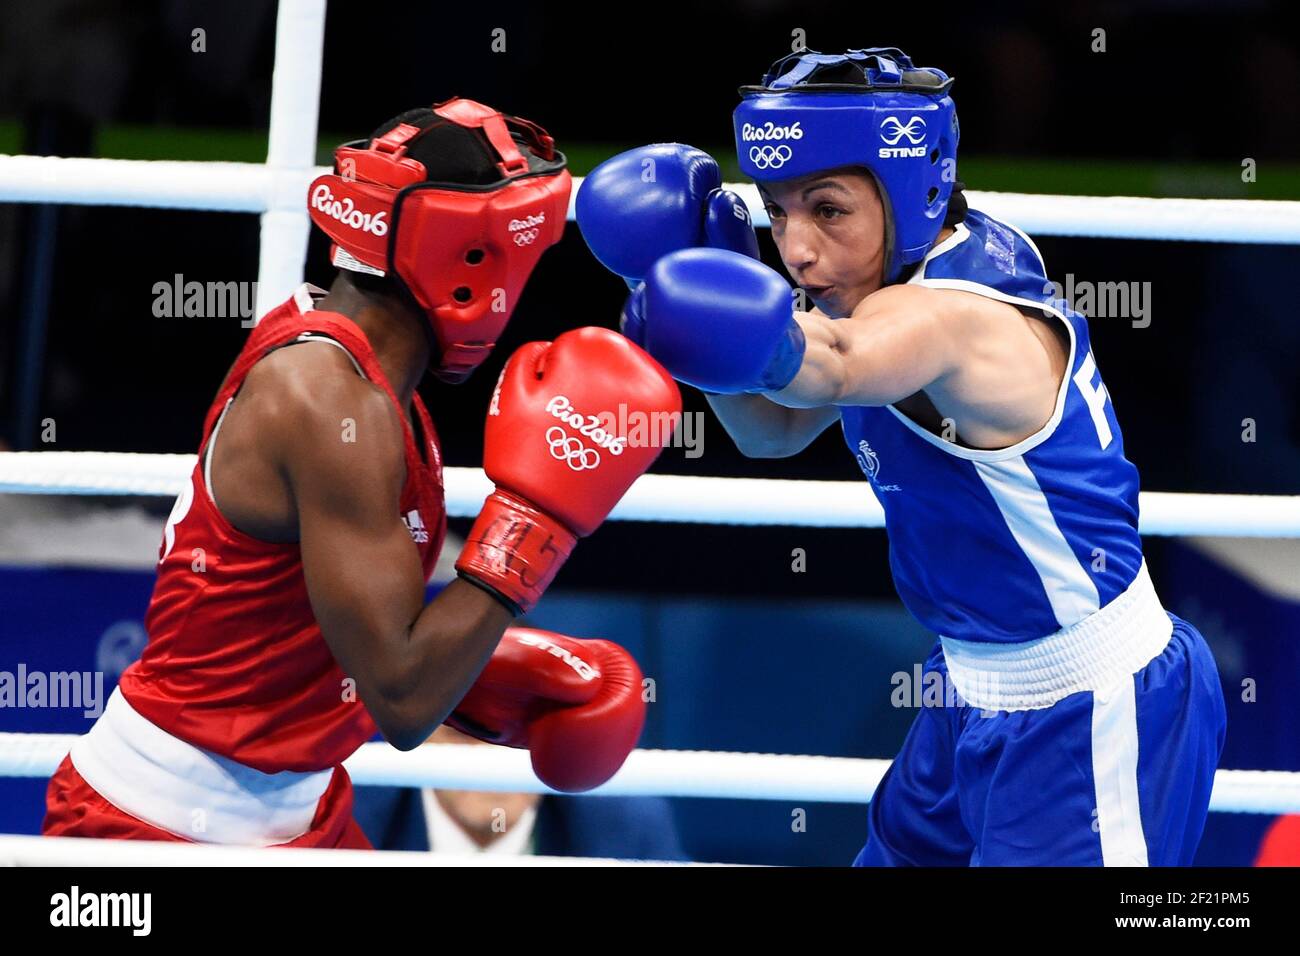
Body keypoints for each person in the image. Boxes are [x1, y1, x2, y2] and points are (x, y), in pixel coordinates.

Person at [577, 48, 1226, 866]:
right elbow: (770, 430)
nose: (798, 250)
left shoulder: (952, 318)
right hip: (966, 688)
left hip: (1088, 704)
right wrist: (684, 295)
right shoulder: (900, 274)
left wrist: (699, 293)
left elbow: (834, 365)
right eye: (776, 215)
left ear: (909, 194)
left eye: (828, 210)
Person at [42, 98, 679, 848]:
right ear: (472, 260)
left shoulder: (371, 384)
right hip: (157, 827)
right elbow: (403, 698)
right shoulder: (325, 400)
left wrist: (494, 673)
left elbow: (357, 639)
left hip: (302, 813)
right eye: (524, 258)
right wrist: (537, 526)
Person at [353, 724, 689, 860]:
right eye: (464, 734)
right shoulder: (352, 823)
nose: (492, 762)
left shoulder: (627, 830)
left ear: (559, 742)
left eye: (520, 738)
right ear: (421, 735)